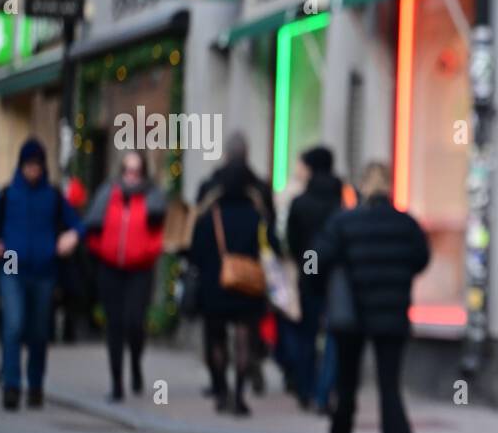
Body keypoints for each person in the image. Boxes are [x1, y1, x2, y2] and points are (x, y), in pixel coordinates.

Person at [314, 162, 429, 433]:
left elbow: (318, 257)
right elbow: (421, 258)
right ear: (390, 187)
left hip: (351, 317)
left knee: (347, 385)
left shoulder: (345, 223)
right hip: (392, 314)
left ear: (361, 187)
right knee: (389, 386)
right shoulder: (406, 224)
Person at [0, 138, 84, 410]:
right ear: (21, 166)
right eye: (28, 165)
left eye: (36, 165)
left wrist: (72, 237)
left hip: (44, 269)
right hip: (11, 262)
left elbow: (77, 224)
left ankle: (35, 385)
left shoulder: (53, 196)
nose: (32, 170)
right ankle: (11, 386)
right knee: (13, 325)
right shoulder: (7, 194)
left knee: (38, 332)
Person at [189, 156, 279, 417]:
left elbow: (194, 251)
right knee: (243, 340)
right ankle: (240, 395)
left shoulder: (209, 216)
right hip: (248, 286)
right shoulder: (256, 215)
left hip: (215, 286)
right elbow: (271, 246)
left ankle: (222, 392)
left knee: (216, 338)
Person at [84, 150, 167, 401]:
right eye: (127, 171)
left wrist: (147, 252)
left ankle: (136, 365)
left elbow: (158, 233)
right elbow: (93, 229)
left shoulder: (152, 198)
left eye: (136, 171)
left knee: (134, 322)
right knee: (114, 326)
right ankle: (117, 383)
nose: (131, 176)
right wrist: (103, 251)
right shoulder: (108, 195)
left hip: (139, 270)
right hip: (111, 269)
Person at [286, 146, 344, 412]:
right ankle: (324, 392)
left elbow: (293, 241)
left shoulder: (301, 202)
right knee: (333, 335)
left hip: (309, 273)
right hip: (336, 275)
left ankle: (305, 388)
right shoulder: (341, 200)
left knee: (306, 333)